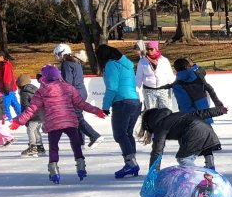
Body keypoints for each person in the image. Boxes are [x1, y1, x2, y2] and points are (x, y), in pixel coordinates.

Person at [9, 64, 106, 183]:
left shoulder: (42, 91)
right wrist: (97, 111)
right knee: (76, 144)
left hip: (53, 124)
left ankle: (54, 171)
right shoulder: (68, 88)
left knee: (54, 148)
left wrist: (18, 121)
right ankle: (81, 166)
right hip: (69, 121)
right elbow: (82, 104)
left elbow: (31, 109)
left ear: (45, 77)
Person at [97, 44, 143, 179]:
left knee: (120, 134)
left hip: (122, 102)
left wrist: (105, 107)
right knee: (128, 134)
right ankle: (132, 163)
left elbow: (112, 88)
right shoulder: (126, 64)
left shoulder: (111, 65)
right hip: (134, 101)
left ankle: (131, 164)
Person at [137, 106, 225, 169]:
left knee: (183, 158)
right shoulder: (175, 116)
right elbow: (199, 113)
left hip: (194, 131)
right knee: (205, 147)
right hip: (207, 129)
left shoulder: (160, 127)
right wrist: (219, 110)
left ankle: (201, 176)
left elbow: (157, 151)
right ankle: (210, 166)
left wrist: (153, 171)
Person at [52, 43, 101, 146]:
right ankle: (80, 141)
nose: (57, 57)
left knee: (77, 117)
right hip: (81, 91)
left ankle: (94, 136)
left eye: (57, 54)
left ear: (61, 53)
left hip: (75, 93)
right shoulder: (75, 61)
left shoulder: (66, 63)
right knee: (77, 117)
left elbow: (67, 81)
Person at [136, 40, 175, 110]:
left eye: (151, 49)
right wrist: (136, 89)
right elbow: (139, 77)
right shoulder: (142, 61)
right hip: (149, 91)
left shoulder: (164, 60)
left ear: (156, 49)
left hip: (164, 90)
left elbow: (170, 75)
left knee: (166, 111)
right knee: (151, 112)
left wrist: (174, 86)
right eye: (147, 49)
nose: (149, 51)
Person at [16, 74, 46, 157]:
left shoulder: (24, 93)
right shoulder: (35, 89)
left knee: (30, 130)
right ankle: (40, 147)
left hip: (34, 115)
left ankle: (33, 147)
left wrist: (25, 119)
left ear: (20, 85)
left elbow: (25, 107)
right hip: (42, 114)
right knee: (36, 130)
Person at [0, 53, 20, 119]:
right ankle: (21, 115)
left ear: (2, 56)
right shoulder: (0, 64)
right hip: (4, 88)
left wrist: (6, 88)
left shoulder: (6, 65)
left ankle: (8, 119)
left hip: (8, 88)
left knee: (5, 105)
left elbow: (7, 78)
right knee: (14, 103)